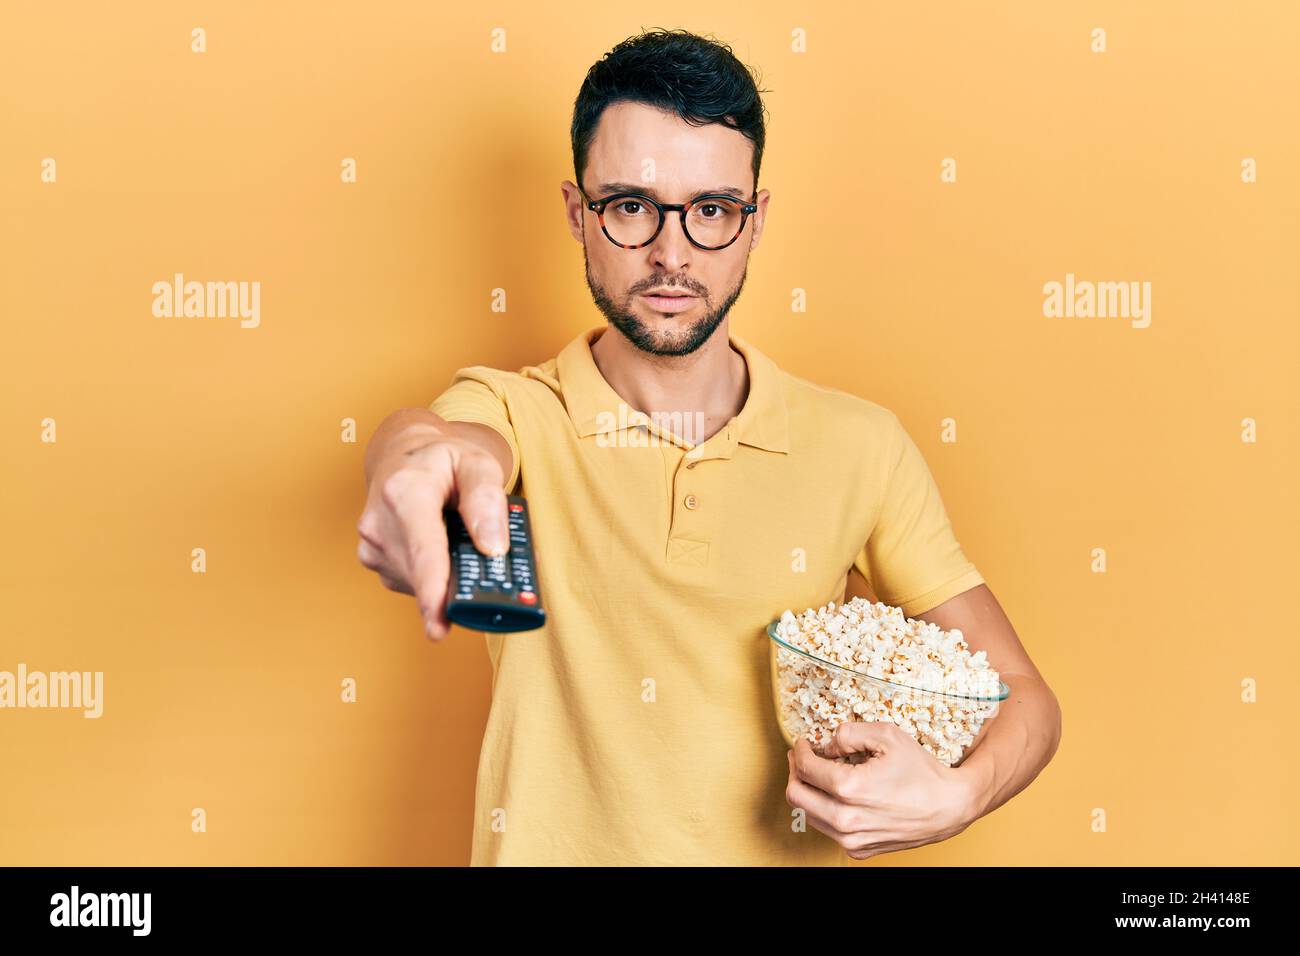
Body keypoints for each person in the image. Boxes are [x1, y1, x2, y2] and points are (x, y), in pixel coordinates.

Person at [357, 28, 1062, 866]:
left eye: (712, 212)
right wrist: (417, 463)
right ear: (577, 215)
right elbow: (439, 439)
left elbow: (1026, 698)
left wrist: (959, 797)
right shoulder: (518, 412)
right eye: (629, 207)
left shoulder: (861, 446)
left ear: (757, 221)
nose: (671, 252)